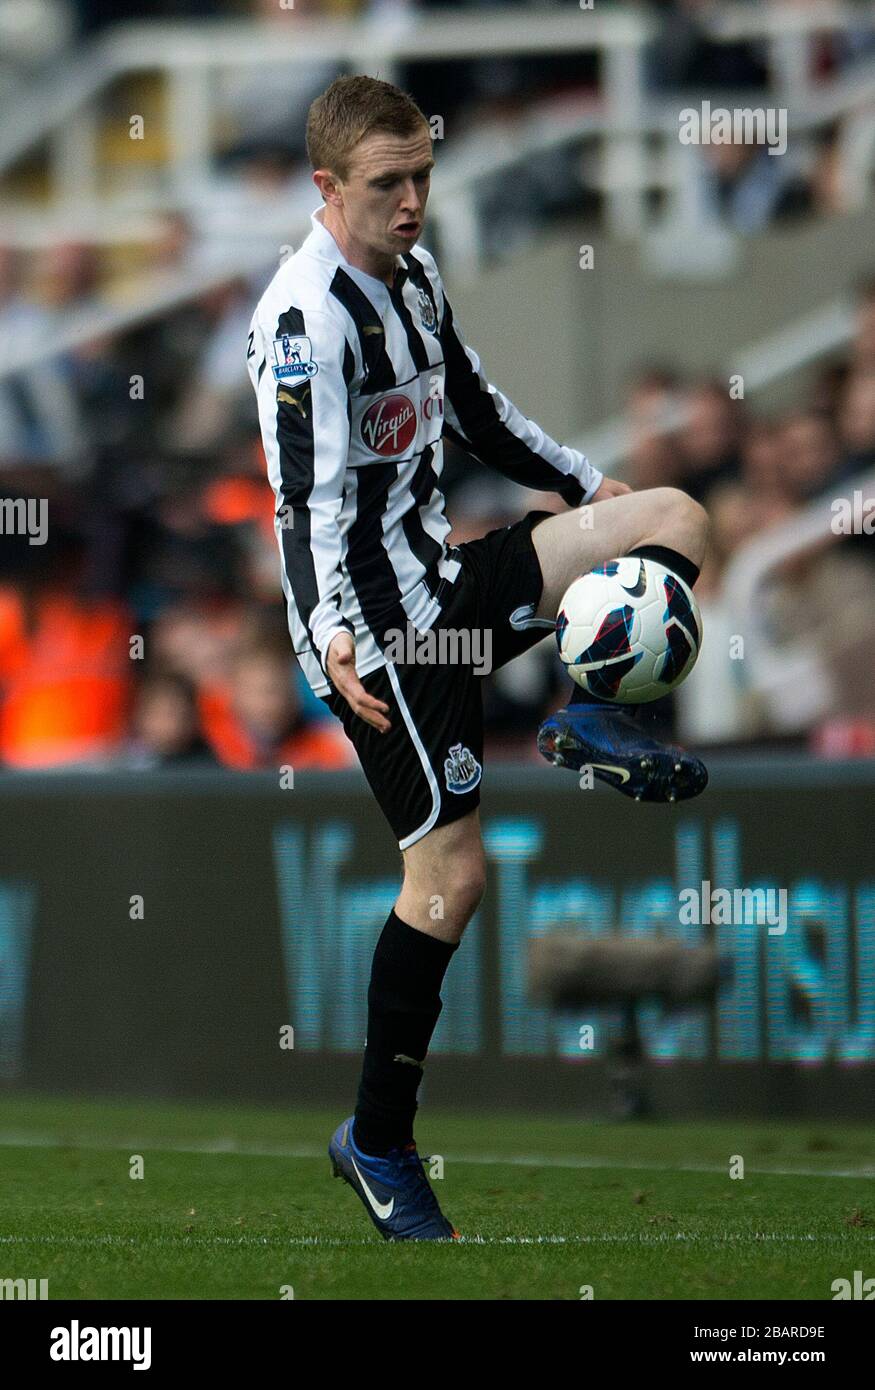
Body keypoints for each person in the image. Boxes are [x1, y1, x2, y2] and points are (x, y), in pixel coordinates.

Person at [246, 75, 709, 1242]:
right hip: (375, 633)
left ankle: (593, 711)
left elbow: (469, 399)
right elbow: (303, 506)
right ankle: (379, 1142)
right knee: (451, 883)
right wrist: (335, 636)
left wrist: (579, 480)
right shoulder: (302, 318)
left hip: (445, 576)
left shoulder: (412, 270)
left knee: (672, 518)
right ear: (326, 188)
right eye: (385, 184)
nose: (410, 202)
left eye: (421, 177)